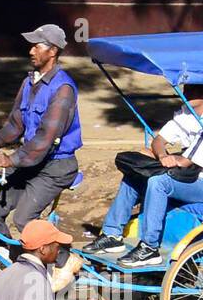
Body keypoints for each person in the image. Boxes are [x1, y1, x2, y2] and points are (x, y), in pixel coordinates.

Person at [0, 24, 83, 237]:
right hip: (30, 162)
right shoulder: (29, 82)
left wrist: (12, 159)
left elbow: (45, 138)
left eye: (37, 47)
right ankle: (5, 261)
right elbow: (15, 125)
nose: (31, 51)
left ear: (53, 51)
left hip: (55, 167)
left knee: (24, 220)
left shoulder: (63, 89)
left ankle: (61, 265)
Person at [83, 85, 203, 268]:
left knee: (158, 182)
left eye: (194, 89)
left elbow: (187, 161)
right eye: (186, 88)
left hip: (199, 181)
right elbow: (159, 141)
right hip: (186, 176)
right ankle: (112, 234)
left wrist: (172, 158)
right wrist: (162, 156)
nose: (186, 94)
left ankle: (149, 247)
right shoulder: (186, 114)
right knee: (136, 174)